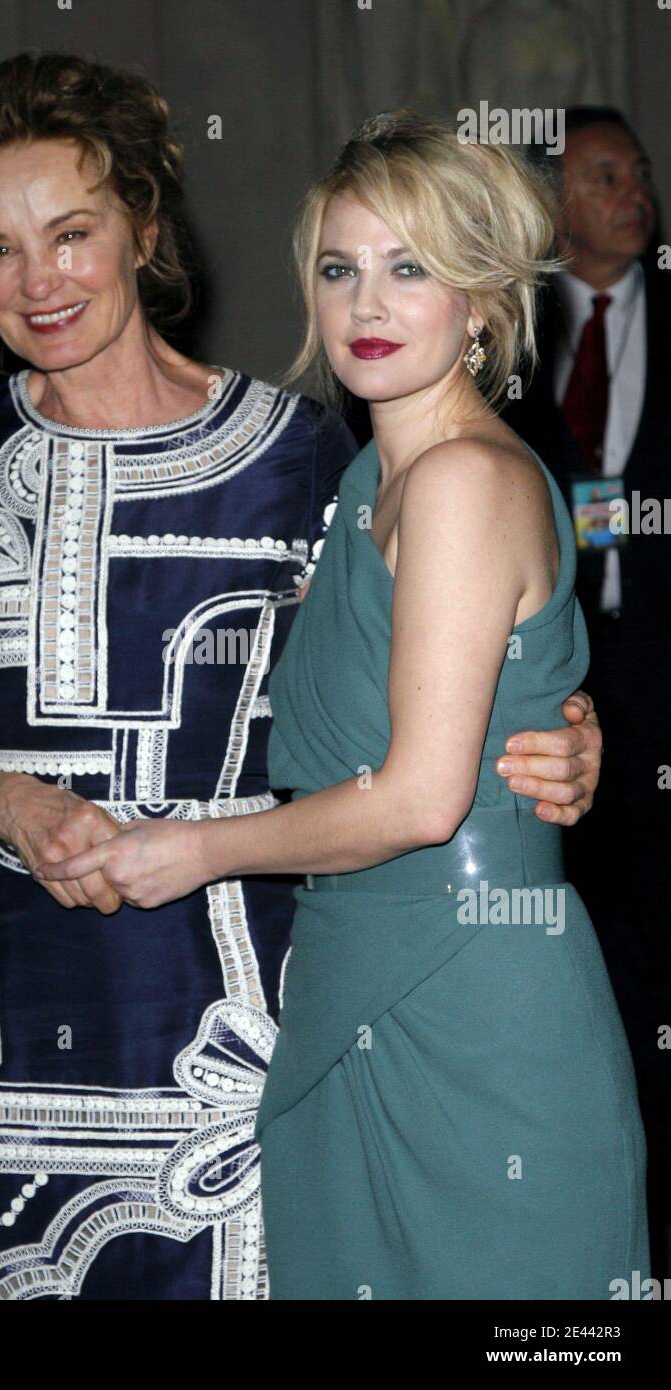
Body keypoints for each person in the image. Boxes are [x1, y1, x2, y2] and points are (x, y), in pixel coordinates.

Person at [0, 56, 603, 1302]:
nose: (38, 282)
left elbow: (432, 668)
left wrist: (557, 730)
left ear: (144, 225)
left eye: (71, 233)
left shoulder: (305, 460)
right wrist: (5, 804)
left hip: (242, 1011)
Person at [48, 110, 648, 1300]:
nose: (366, 304)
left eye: (409, 268)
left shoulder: (467, 482)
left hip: (474, 1000)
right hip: (346, 973)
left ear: (479, 302)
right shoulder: (366, 481)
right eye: (340, 268)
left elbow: (422, 797)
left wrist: (191, 853)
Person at [503, 107, 671, 1277]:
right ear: (553, 203)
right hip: (548, 690)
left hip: (669, 677)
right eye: (602, 175)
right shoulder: (499, 333)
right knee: (580, 948)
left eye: (638, 170)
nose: (632, 190)